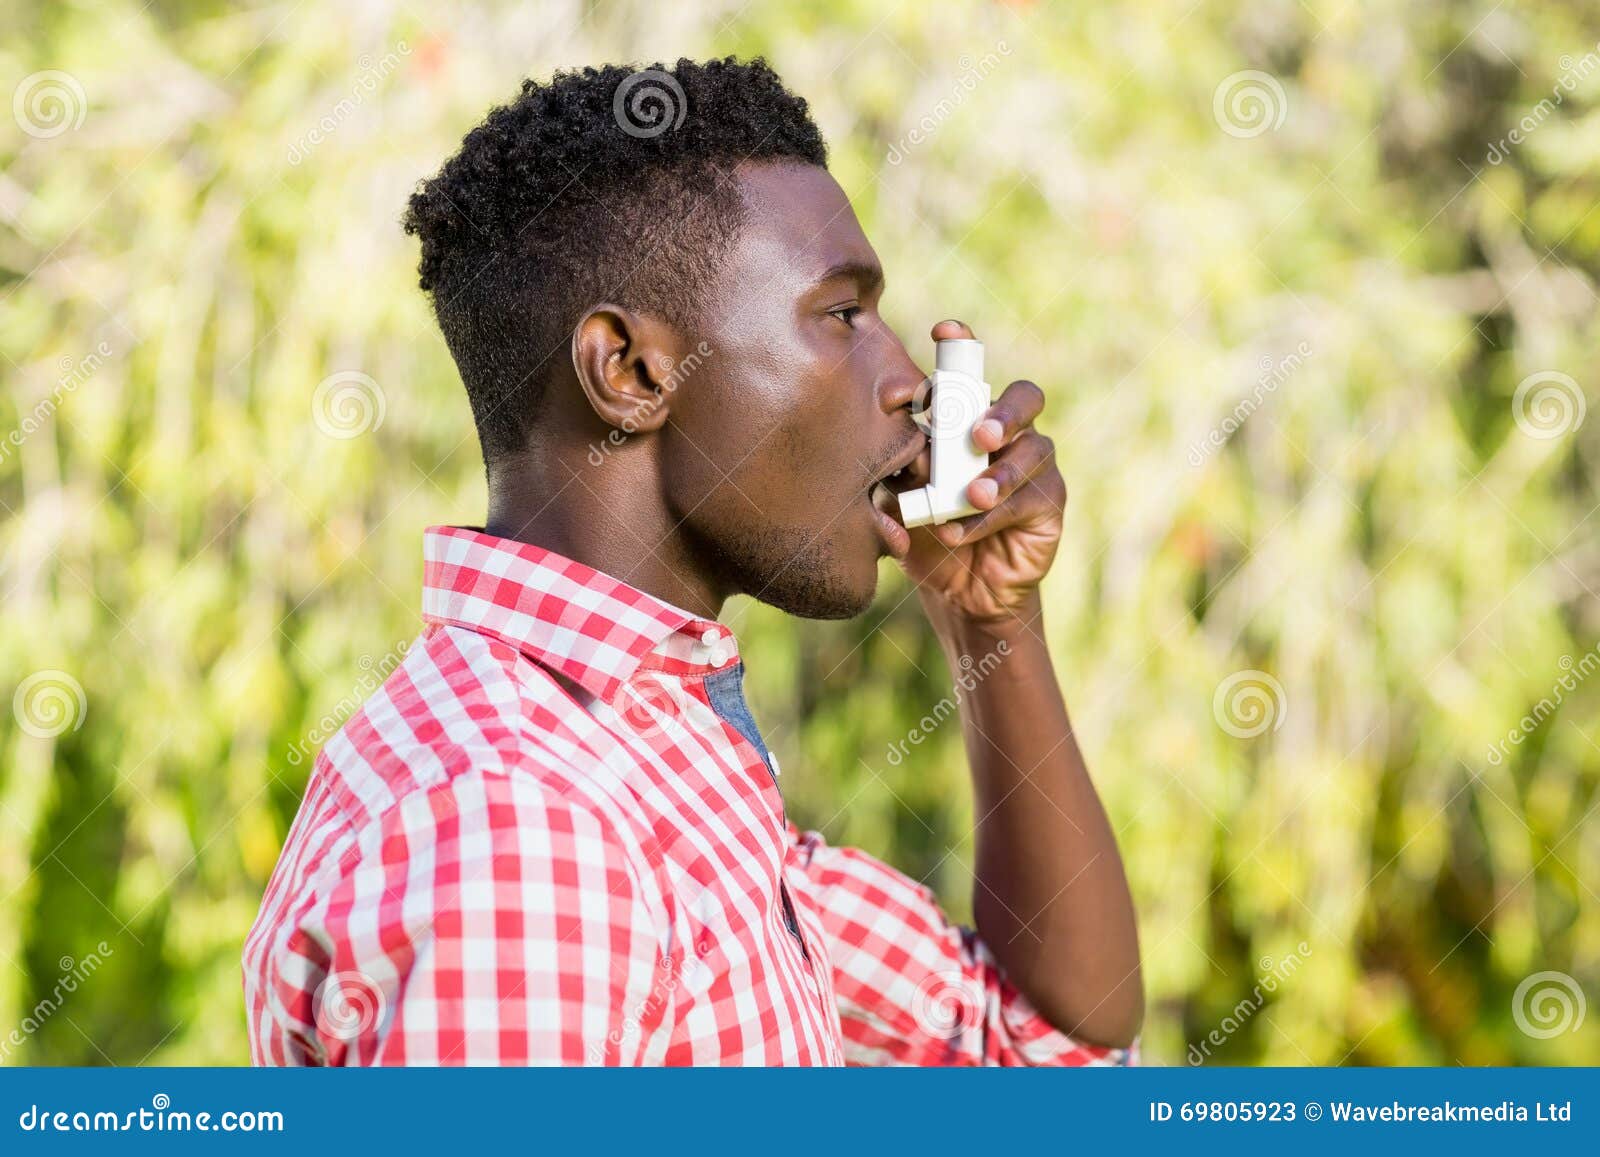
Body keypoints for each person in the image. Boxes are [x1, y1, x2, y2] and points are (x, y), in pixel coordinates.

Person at [244, 57, 1142, 1065]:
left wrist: (990, 620)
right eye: (843, 315)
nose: (907, 383)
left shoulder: (655, 764)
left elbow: (1040, 1046)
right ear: (630, 373)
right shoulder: (521, 829)